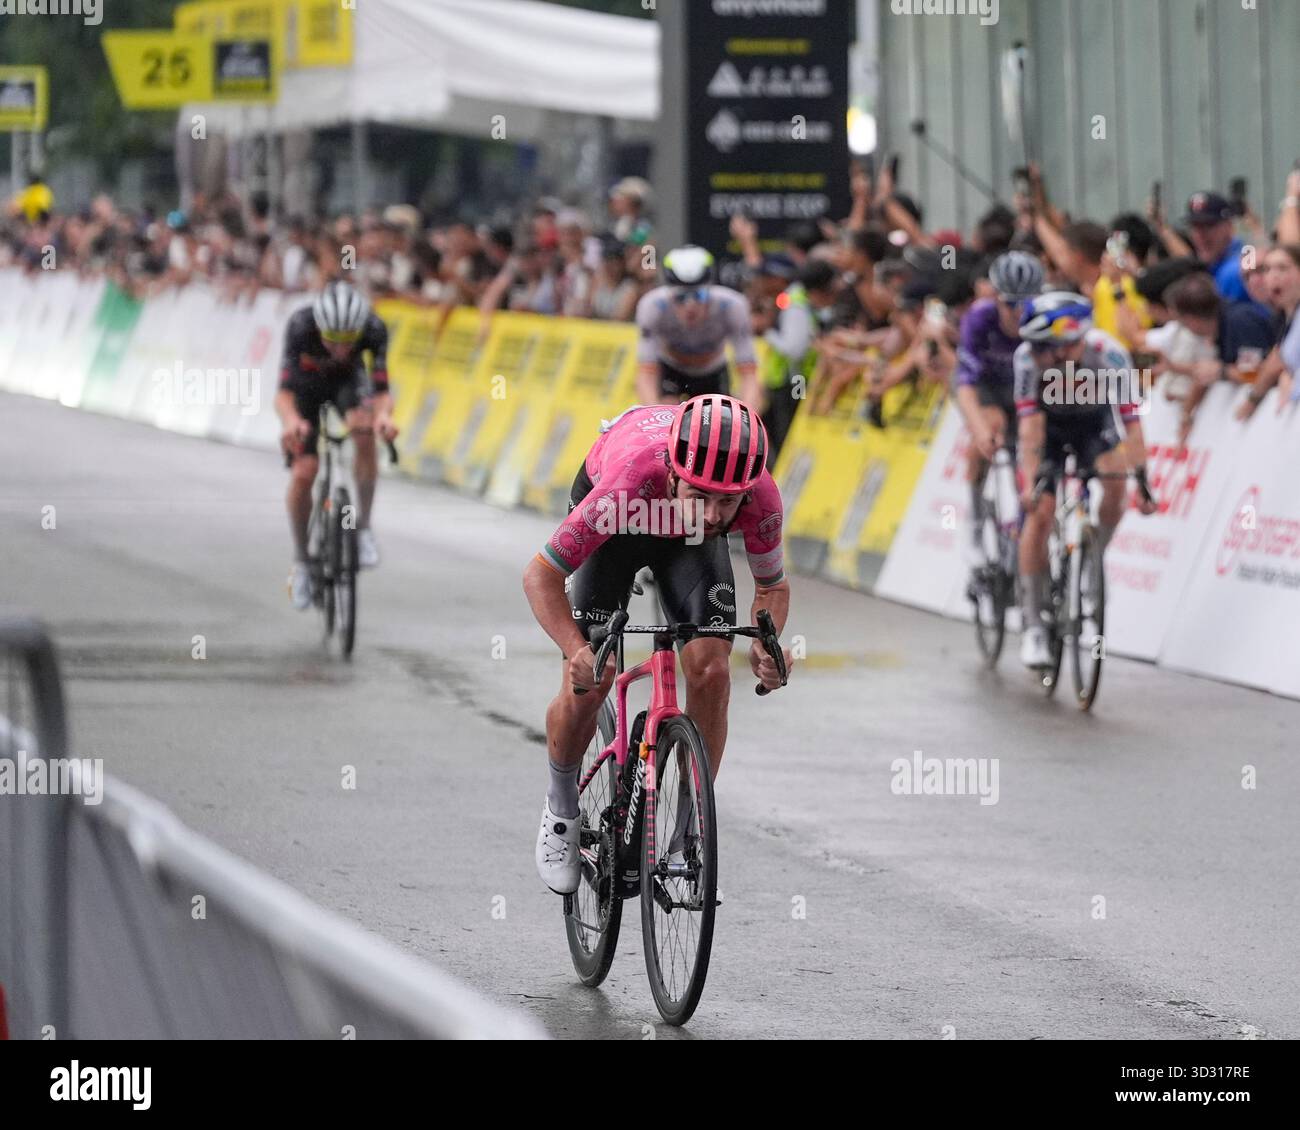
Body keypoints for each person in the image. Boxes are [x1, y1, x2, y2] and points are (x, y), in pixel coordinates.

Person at [522, 395, 793, 896]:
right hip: (620, 527)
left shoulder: (757, 498)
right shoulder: (626, 483)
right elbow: (541, 576)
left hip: (683, 542)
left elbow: (771, 590)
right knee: (591, 680)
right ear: (673, 471)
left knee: (712, 670)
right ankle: (560, 808)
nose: (714, 515)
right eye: (702, 496)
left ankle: (689, 829)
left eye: (727, 502)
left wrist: (766, 647)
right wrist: (575, 647)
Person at [1013, 293, 1158, 669]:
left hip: (1093, 426)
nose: (1039, 354)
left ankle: (1095, 558)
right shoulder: (1026, 359)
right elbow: (1030, 428)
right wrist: (1031, 482)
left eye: (1046, 347)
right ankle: (1032, 626)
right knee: (1040, 513)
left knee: (1115, 482)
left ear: (1070, 343)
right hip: (1049, 429)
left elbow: (1131, 422)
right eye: (1036, 347)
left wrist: (1143, 481)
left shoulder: (1109, 354)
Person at [275, 281, 399, 609]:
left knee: (364, 429)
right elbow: (284, 393)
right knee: (305, 471)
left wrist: (383, 417)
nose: (341, 349)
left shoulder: (373, 329)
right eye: (333, 339)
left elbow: (383, 389)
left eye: (349, 341)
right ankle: (302, 561)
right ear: (320, 328)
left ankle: (365, 529)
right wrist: (291, 422)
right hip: (307, 389)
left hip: (348, 384)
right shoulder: (301, 327)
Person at [954, 251, 1045, 571]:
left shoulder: (1046, 322)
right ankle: (976, 527)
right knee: (990, 428)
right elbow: (965, 385)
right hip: (988, 388)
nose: (1019, 314)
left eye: (1027, 305)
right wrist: (979, 432)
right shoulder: (979, 319)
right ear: (996, 299)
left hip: (1028, 391)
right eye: (1010, 304)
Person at [634, 246, 759, 407]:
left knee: (718, 420)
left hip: (712, 370)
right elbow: (646, 373)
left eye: (699, 295)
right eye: (681, 297)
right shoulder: (652, 307)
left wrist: (746, 414)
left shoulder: (732, 306)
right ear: (668, 292)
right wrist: (654, 412)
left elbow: (749, 373)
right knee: (668, 409)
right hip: (671, 370)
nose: (690, 306)